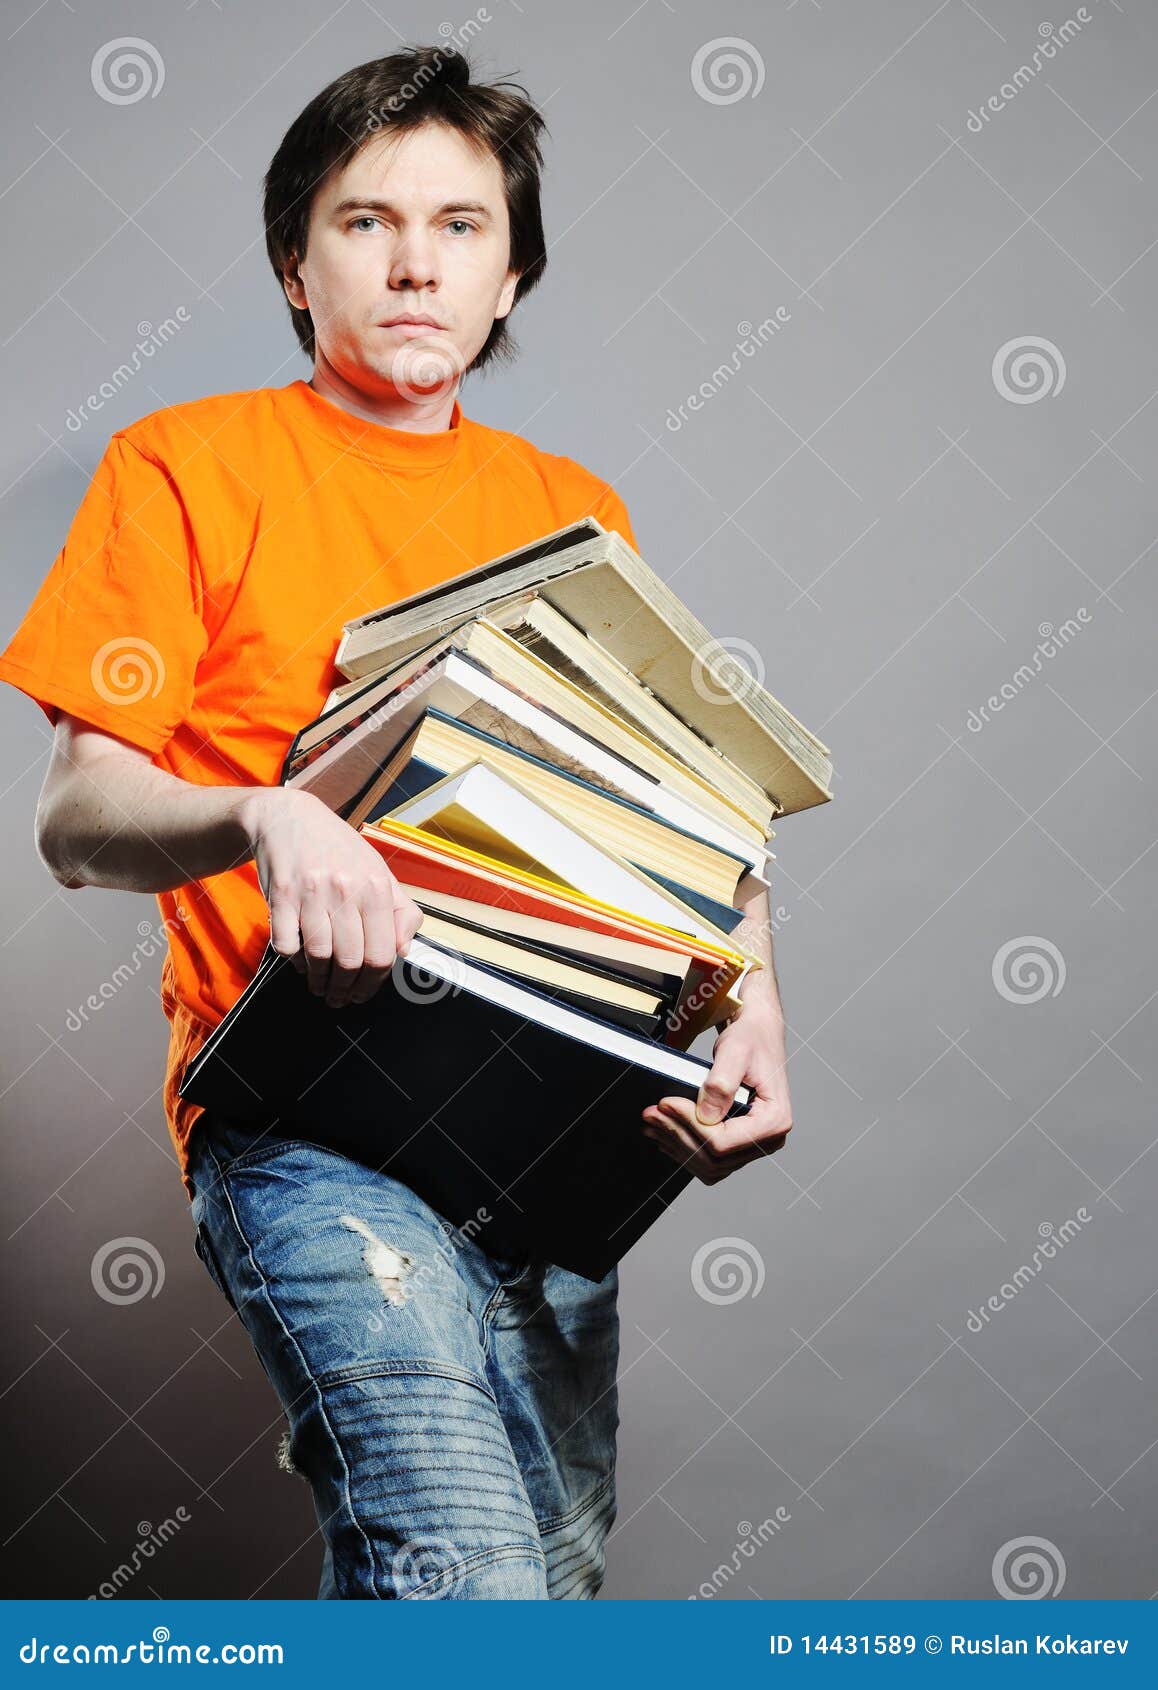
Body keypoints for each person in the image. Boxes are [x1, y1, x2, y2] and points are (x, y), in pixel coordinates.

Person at [0, 45, 792, 1599]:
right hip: (315, 1123)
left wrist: (749, 992)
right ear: (297, 267)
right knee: (467, 1581)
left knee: (547, 1595)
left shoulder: (579, 512)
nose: (415, 261)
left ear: (512, 279)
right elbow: (77, 817)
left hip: (563, 1130)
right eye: (364, 222)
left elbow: (676, 811)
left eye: (460, 225)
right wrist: (264, 817)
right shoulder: (185, 464)